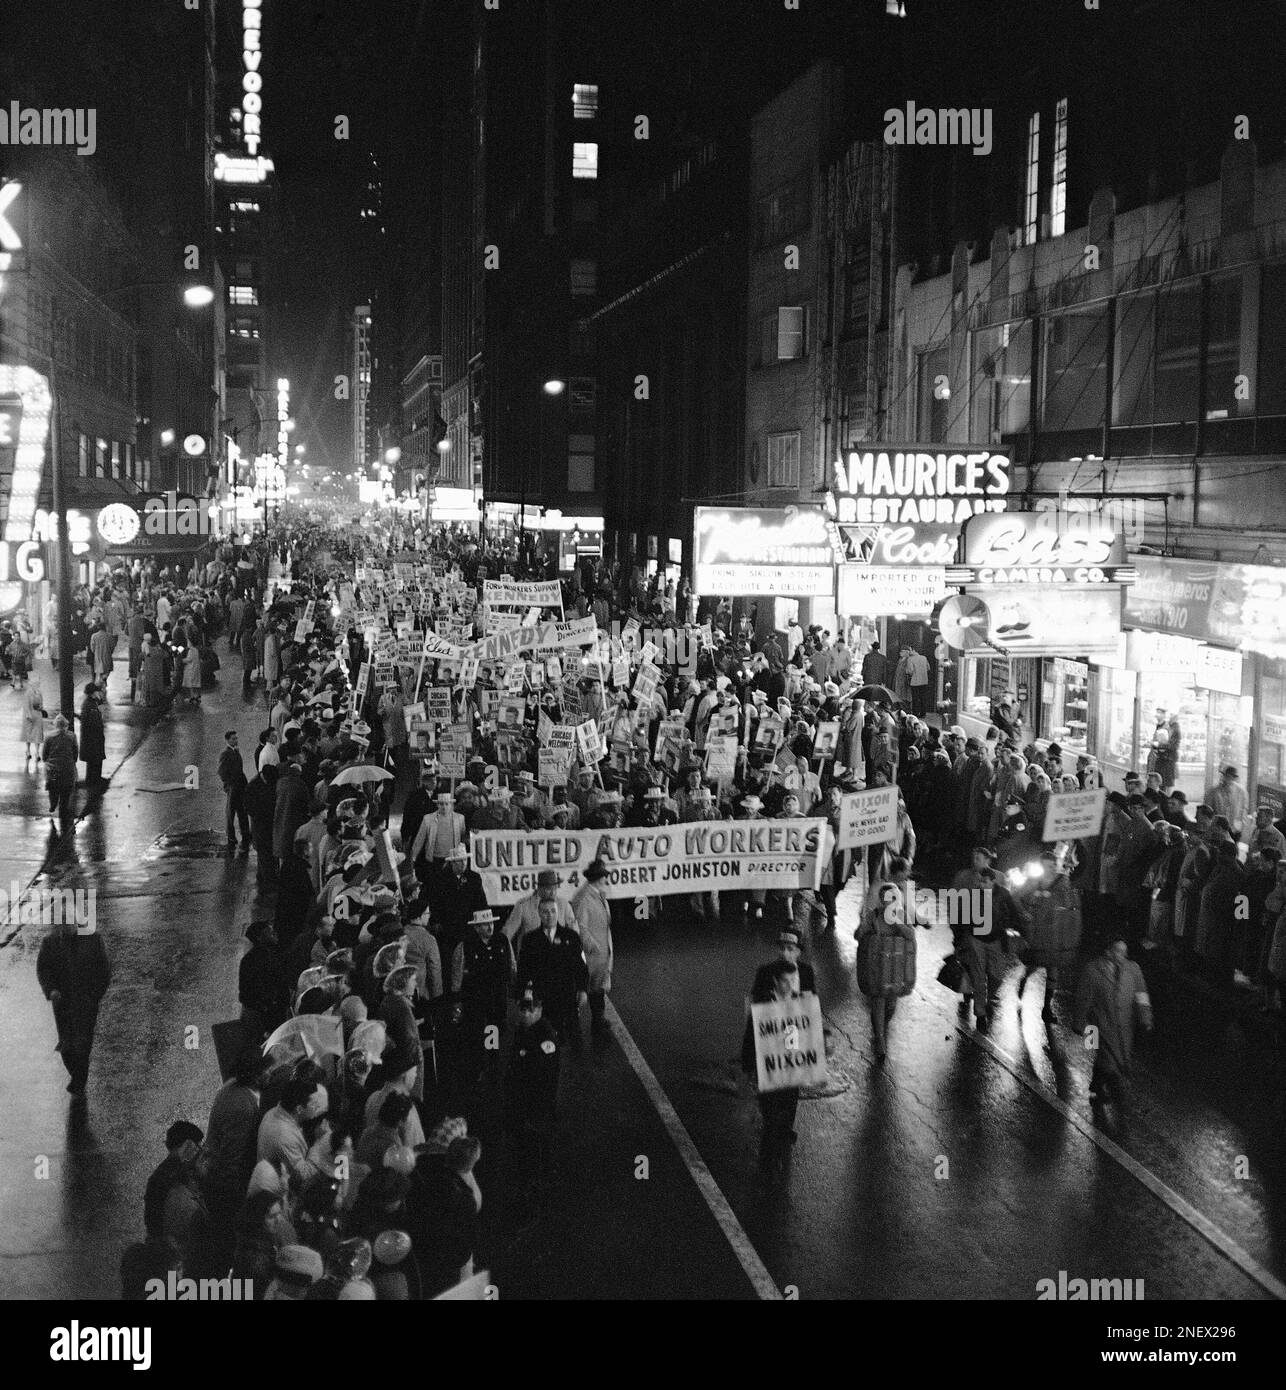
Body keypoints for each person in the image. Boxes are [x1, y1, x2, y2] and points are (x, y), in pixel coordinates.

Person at [1072, 935, 1153, 1115]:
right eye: (1118, 951)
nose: (1122, 956)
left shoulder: (1133, 970)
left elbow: (1142, 996)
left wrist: (1145, 1018)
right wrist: (1079, 1022)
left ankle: (1096, 1086)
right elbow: (1083, 999)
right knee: (1111, 1064)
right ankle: (1122, 1105)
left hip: (1124, 1028)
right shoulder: (1093, 971)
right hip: (1097, 1027)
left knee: (1111, 1060)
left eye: (1124, 952)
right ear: (1108, 951)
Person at [36, 914, 111, 1095]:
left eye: (68, 922)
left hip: (86, 1002)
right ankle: (77, 1075)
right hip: (62, 1003)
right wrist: (51, 990)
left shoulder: (93, 939)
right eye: (61, 923)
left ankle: (79, 1079)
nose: (65, 927)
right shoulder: (50, 942)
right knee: (66, 1046)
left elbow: (104, 970)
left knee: (83, 1043)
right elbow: (43, 969)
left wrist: (94, 995)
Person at [504, 985, 561, 1218]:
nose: (524, 1013)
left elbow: (539, 1077)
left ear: (539, 1009)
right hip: (521, 1106)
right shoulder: (523, 1030)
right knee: (525, 1153)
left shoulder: (545, 1037)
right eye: (522, 1008)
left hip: (535, 1109)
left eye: (529, 1009)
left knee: (532, 1155)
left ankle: (532, 1203)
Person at [1017, 850, 1082, 1022]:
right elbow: (1016, 897)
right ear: (1042, 866)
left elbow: (1071, 902)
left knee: (1053, 968)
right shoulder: (1034, 882)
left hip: (1056, 932)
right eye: (1048, 866)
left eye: (1054, 865)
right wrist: (1024, 913)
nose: (1052, 869)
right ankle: (1023, 983)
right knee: (1035, 965)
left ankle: (1047, 1008)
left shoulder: (1063, 881)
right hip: (1038, 933)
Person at [855, 880, 917, 1061]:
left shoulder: (902, 915)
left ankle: (881, 1024)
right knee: (878, 1002)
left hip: (895, 971)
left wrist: (897, 922)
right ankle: (880, 1039)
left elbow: (910, 935)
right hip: (877, 970)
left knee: (891, 1005)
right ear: (882, 900)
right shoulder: (872, 916)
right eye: (887, 898)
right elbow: (858, 936)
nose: (890, 901)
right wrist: (862, 928)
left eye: (894, 898)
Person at [516, 898, 589, 1048]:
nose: (550, 915)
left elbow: (580, 966)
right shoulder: (530, 940)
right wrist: (522, 996)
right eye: (545, 912)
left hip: (567, 997)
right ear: (539, 914)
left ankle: (577, 1069)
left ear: (558, 912)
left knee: (575, 1039)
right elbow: (523, 969)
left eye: (553, 911)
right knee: (546, 1042)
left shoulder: (571, 937)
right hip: (543, 1000)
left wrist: (583, 989)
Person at [572, 858, 613, 1038]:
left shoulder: (597, 895)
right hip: (592, 956)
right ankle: (589, 1025)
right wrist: (591, 946)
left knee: (598, 990)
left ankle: (598, 1021)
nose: (606, 879)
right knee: (587, 990)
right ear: (598, 878)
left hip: (601, 954)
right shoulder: (584, 899)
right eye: (604, 876)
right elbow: (580, 926)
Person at [42, 713, 79, 833]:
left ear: (55, 725)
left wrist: (48, 761)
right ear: (66, 725)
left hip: (53, 770)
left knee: (53, 789)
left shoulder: (48, 737)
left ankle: (53, 804)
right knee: (66, 792)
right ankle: (63, 808)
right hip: (67, 769)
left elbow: (44, 755)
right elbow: (75, 753)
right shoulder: (72, 736)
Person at [218, 730, 251, 853]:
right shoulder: (225, 754)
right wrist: (230, 784)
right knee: (230, 813)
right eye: (233, 739)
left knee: (242, 812)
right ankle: (231, 837)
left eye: (236, 738)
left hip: (240, 787)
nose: (236, 741)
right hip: (233, 787)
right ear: (227, 740)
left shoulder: (236, 751)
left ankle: (245, 835)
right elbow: (222, 772)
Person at [1204, 765, 1248, 841]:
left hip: (1234, 828)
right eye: (1227, 776)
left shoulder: (1241, 791)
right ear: (1223, 776)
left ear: (1234, 778)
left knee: (1233, 848)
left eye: (1231, 777)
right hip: (1218, 828)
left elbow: (1244, 809)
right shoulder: (1213, 791)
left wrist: (1241, 824)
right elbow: (1207, 809)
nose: (1228, 779)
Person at [79, 683, 106, 790]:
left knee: (95, 759)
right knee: (94, 759)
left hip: (93, 737)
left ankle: (95, 779)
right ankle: (93, 780)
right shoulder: (89, 705)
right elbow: (93, 721)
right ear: (92, 693)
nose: (98, 693)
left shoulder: (92, 703)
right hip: (92, 738)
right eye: (96, 692)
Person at [20, 682, 47, 769]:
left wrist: (41, 708)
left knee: (38, 733)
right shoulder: (28, 693)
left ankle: (37, 752)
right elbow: (26, 706)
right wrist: (28, 715)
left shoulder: (39, 693)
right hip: (29, 716)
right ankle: (28, 751)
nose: (37, 685)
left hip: (37, 714)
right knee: (28, 733)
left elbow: (41, 702)